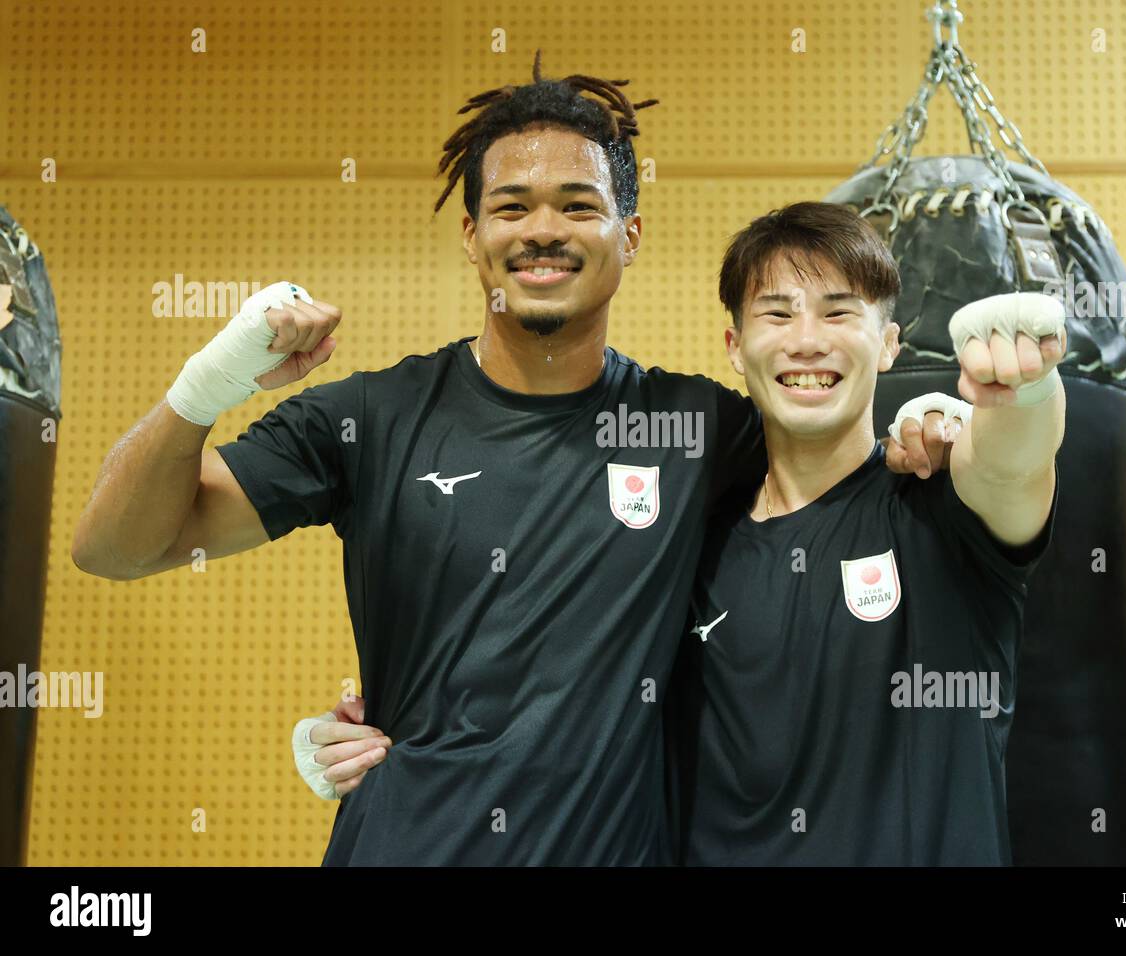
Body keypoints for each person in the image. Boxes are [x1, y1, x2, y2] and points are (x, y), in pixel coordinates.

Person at [72, 55, 950, 865]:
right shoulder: (371, 418)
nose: (543, 230)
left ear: (629, 234)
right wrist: (202, 387)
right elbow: (115, 548)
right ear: (471, 234)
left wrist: (933, 421)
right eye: (512, 206)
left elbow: (838, 462)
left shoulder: (699, 427)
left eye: (577, 205)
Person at [665, 202, 1064, 864]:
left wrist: (1019, 390)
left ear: (888, 344)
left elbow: (1011, 465)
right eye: (777, 312)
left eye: (839, 311)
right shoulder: (692, 545)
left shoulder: (936, 505)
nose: (807, 339)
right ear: (735, 348)